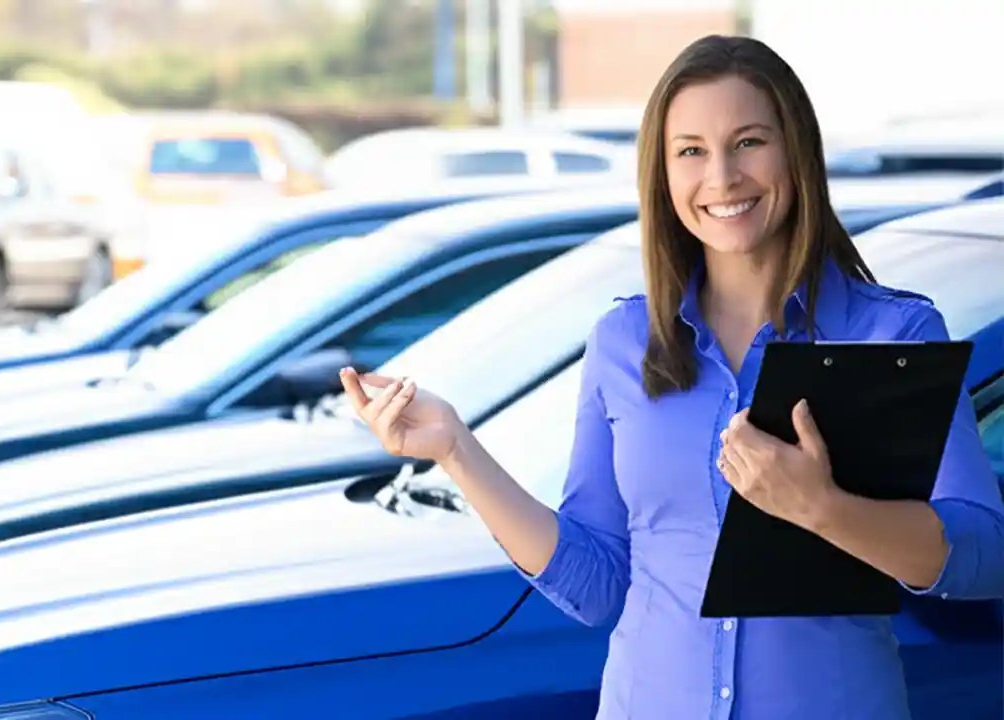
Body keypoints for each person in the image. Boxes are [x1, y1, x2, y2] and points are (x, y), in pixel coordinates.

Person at [338, 35, 1004, 719]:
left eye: (748, 142)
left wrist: (823, 509)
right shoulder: (624, 343)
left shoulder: (890, 335)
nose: (721, 178)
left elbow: (983, 556)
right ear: (662, 174)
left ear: (796, 150)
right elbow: (596, 584)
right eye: (691, 151)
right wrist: (456, 448)